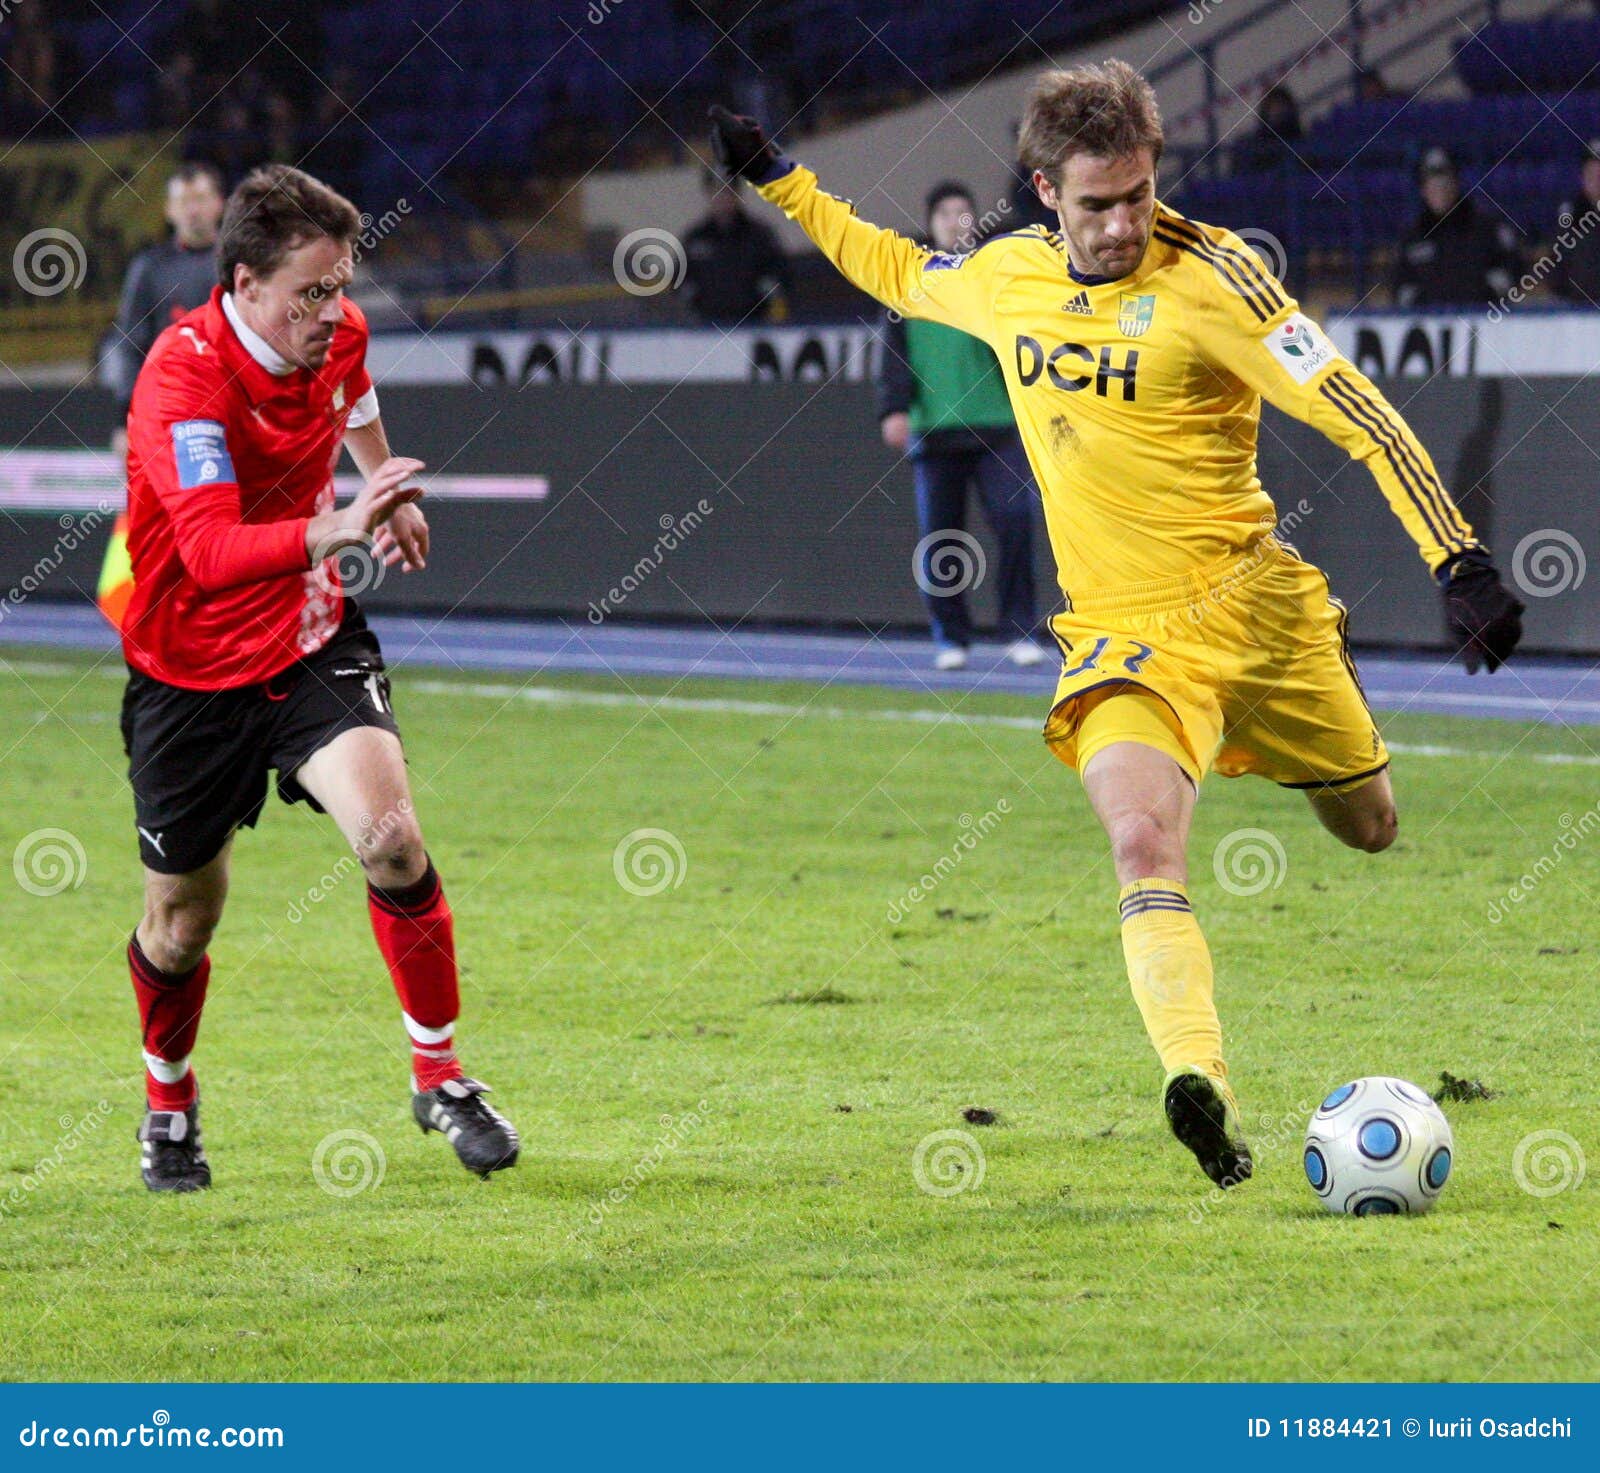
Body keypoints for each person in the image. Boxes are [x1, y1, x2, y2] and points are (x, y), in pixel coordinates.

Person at [709, 63, 1522, 1189]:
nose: (1122, 223)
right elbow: (890, 265)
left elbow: (1354, 410)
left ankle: (1313, 765)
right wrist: (781, 181)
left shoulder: (1220, 278)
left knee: (1371, 827)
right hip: (1124, 641)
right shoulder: (1004, 279)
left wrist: (1460, 558)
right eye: (1096, 203)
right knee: (1141, 845)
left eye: (1138, 194)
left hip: (1262, 615)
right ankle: (1202, 1087)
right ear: (1045, 190)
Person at [119, 163, 519, 1192]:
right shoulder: (183, 376)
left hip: (306, 638)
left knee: (390, 838)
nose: (332, 311)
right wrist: (331, 525)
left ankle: (440, 1075)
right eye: (311, 291)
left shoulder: (335, 335)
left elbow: (356, 387)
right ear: (245, 284)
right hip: (187, 672)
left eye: (340, 286)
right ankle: (169, 1103)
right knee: (181, 923)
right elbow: (206, 550)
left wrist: (386, 488)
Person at [879, 181, 1043, 670]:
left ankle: (1020, 630)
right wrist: (893, 407)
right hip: (935, 430)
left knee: (1015, 523)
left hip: (999, 426)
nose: (956, 221)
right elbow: (892, 352)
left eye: (964, 213)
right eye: (946, 213)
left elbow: (1024, 345)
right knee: (940, 537)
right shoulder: (907, 282)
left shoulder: (994, 279)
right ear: (930, 224)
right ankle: (951, 637)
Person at [105, 162, 228, 458]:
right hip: (165, 413)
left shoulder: (240, 265)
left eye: (200, 199)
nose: (193, 210)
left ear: (219, 204)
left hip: (230, 411)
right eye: (184, 202)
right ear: (169, 210)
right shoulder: (148, 267)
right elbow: (130, 344)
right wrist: (125, 422)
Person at [1394, 147, 1521, 308]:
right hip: (1434, 325)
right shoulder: (1413, 236)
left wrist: (1486, 293)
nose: (1439, 190)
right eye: (1432, 184)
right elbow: (1401, 287)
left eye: (1445, 183)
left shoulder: (1488, 227)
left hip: (1485, 322)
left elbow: (1512, 270)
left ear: (1456, 183)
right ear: (1423, 190)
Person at [681, 170, 790, 324]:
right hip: (707, 328)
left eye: (727, 192)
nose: (722, 199)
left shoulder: (760, 236)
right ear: (708, 194)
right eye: (716, 192)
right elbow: (681, 282)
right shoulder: (695, 238)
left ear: (737, 195)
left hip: (754, 325)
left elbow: (779, 275)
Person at [1550, 137, 1600, 308]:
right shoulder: (1569, 215)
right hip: (1577, 312)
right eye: (1592, 173)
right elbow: (1556, 266)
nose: (1597, 180)